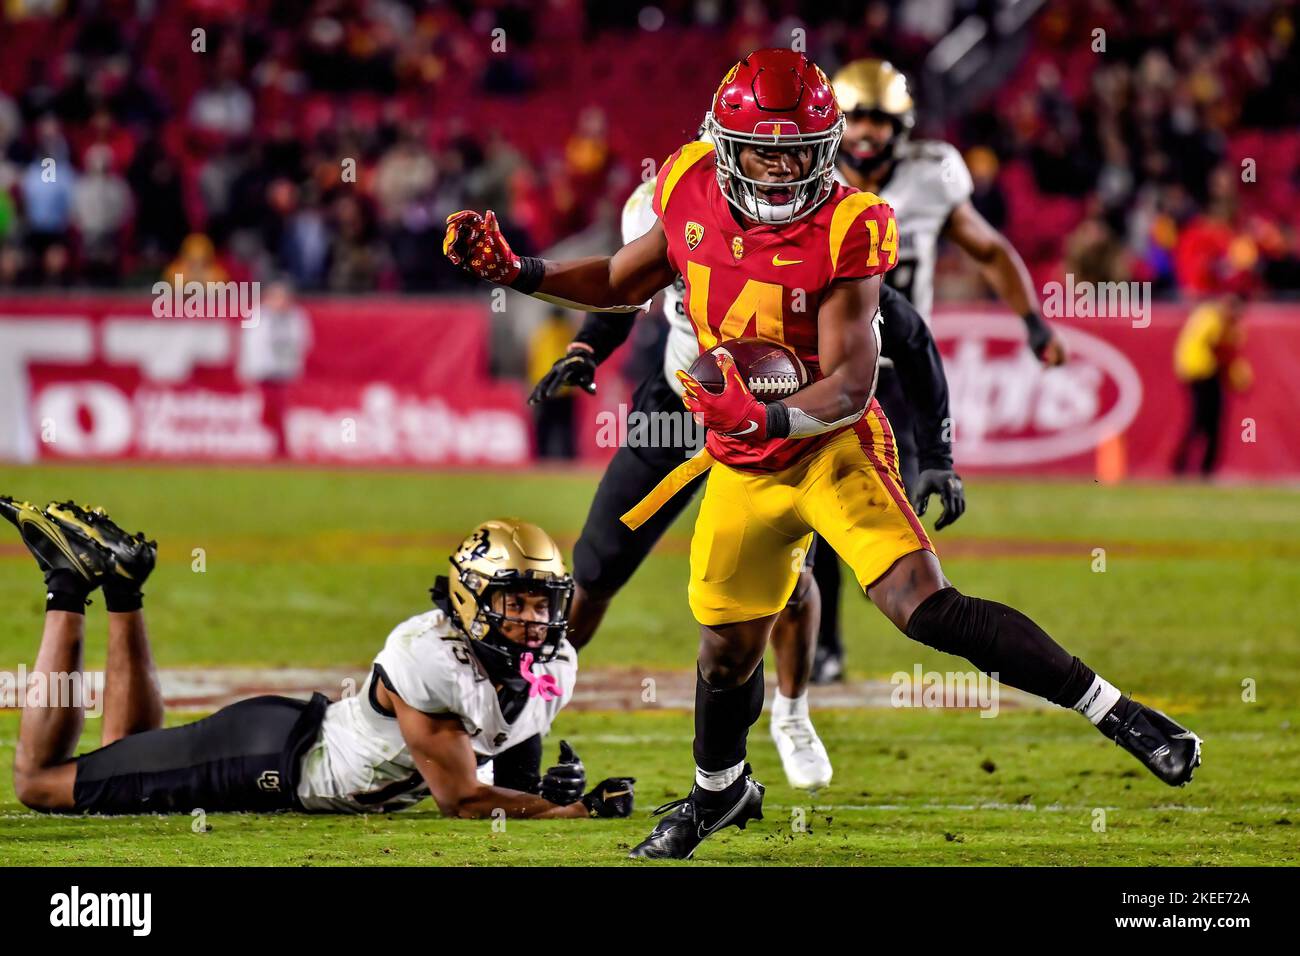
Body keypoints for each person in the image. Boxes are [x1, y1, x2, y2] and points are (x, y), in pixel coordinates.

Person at [444, 49, 1200, 861]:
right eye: (763, 148)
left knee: (923, 606)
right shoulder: (691, 181)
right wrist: (522, 271)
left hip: (828, 448)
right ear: (722, 143)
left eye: (798, 150)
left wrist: (764, 416)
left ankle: (1117, 711)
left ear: (826, 145)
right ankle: (718, 793)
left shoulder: (853, 220)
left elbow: (849, 382)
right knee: (726, 648)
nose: (779, 167)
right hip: (738, 458)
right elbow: (625, 280)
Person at [528, 176, 962, 790]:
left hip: (771, 412)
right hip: (679, 407)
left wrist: (936, 449)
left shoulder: (797, 243)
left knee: (787, 580)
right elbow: (623, 291)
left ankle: (791, 711)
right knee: (596, 563)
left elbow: (910, 336)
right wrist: (584, 346)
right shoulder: (674, 216)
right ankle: (532, 705)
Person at [2, 498, 634, 820]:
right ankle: (66, 586)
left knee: (125, 753)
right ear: (472, 599)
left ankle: (121, 586)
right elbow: (462, 799)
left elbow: (508, 741)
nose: (532, 620)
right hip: (270, 758)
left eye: (541, 603)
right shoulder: (428, 654)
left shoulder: (554, 663)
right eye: (514, 602)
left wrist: (538, 792)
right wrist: (563, 810)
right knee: (39, 783)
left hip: (289, 741)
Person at [1171, 286, 1252, 476]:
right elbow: (1214, 347)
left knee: (1212, 422)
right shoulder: (1211, 318)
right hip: (1200, 373)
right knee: (1200, 420)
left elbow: (1228, 354)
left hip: (1209, 373)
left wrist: (1237, 377)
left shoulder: (1227, 324)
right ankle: (1183, 464)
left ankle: (1205, 468)